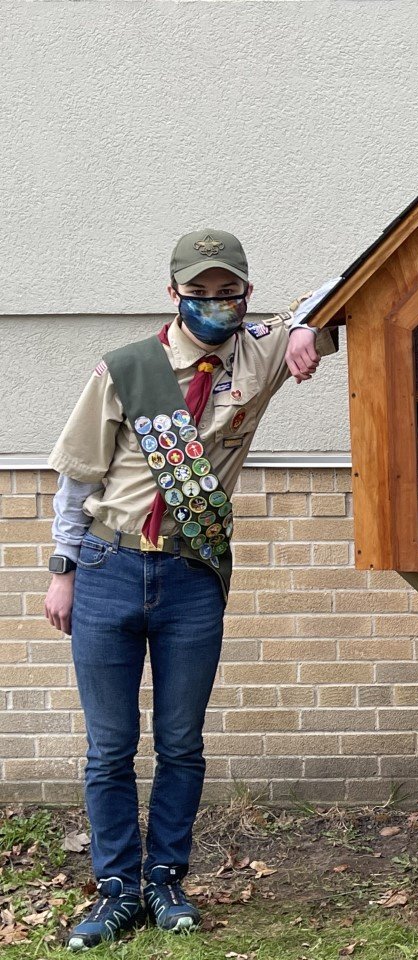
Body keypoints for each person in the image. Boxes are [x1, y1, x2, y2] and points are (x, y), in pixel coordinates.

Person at [42, 229, 338, 951]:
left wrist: (306, 328)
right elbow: (78, 480)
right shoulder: (127, 369)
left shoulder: (260, 353)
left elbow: (352, 286)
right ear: (173, 293)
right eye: (198, 292)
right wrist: (61, 571)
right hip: (108, 566)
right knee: (110, 747)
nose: (214, 303)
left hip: (191, 575)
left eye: (227, 291)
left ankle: (165, 879)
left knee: (181, 742)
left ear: (247, 292)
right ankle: (117, 889)